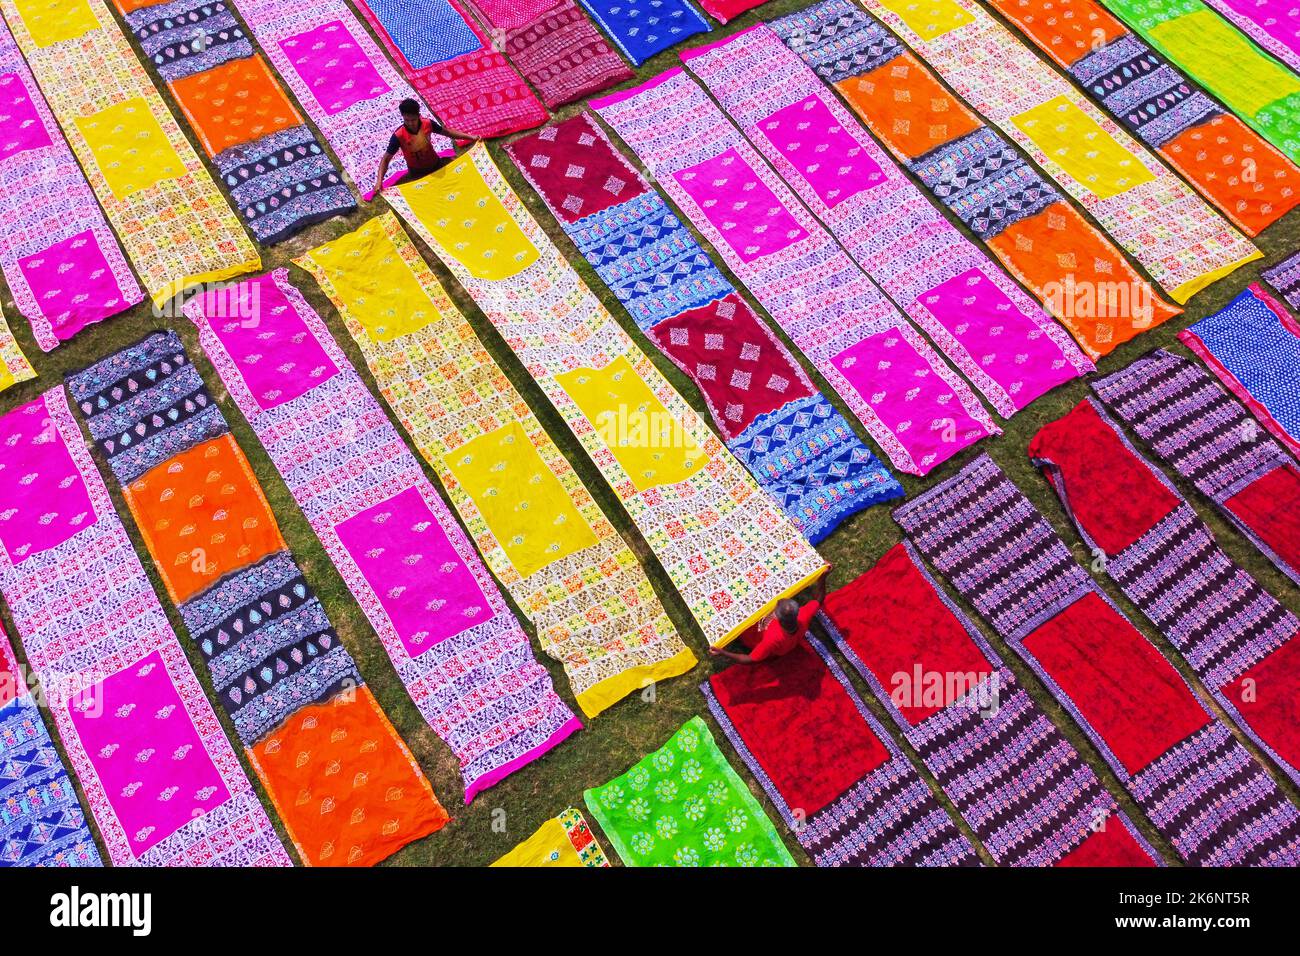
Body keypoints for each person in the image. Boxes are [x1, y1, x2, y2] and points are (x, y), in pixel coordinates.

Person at [709, 565, 832, 665]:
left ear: (777, 618)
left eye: (776, 608)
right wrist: (823, 577)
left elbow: (750, 659)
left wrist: (723, 652)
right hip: (788, 641)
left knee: (739, 612)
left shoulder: (771, 639)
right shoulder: (803, 615)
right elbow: (819, 600)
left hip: (757, 638)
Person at [369, 98, 477, 200]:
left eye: (413, 120)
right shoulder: (398, 136)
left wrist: (471, 137)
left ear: (419, 116)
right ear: (402, 116)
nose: (410, 123)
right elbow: (386, 159)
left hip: (436, 165)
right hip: (417, 172)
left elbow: (447, 132)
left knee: (452, 190)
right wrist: (379, 181)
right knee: (430, 198)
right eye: (407, 120)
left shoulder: (428, 124)